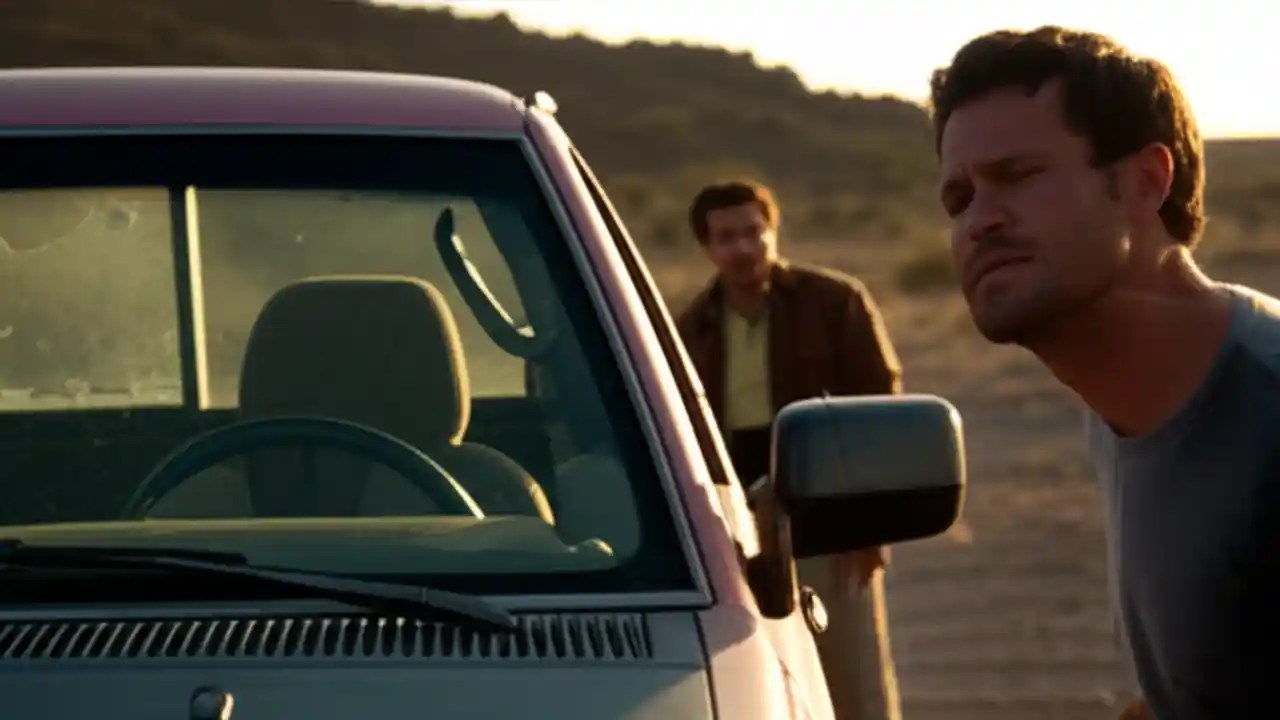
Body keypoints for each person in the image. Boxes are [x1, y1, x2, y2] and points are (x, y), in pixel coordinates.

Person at [929, 25, 1280, 720]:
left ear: (1145, 181)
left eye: (1018, 176)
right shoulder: (1121, 408)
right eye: (958, 198)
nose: (979, 222)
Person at [675, 180, 904, 720]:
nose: (744, 248)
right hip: (736, 523)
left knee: (853, 677)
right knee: (753, 676)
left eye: (755, 231)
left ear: (773, 232)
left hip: (827, 512)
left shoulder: (834, 303)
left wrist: (870, 528)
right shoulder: (691, 327)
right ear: (707, 247)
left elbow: (881, 412)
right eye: (727, 237)